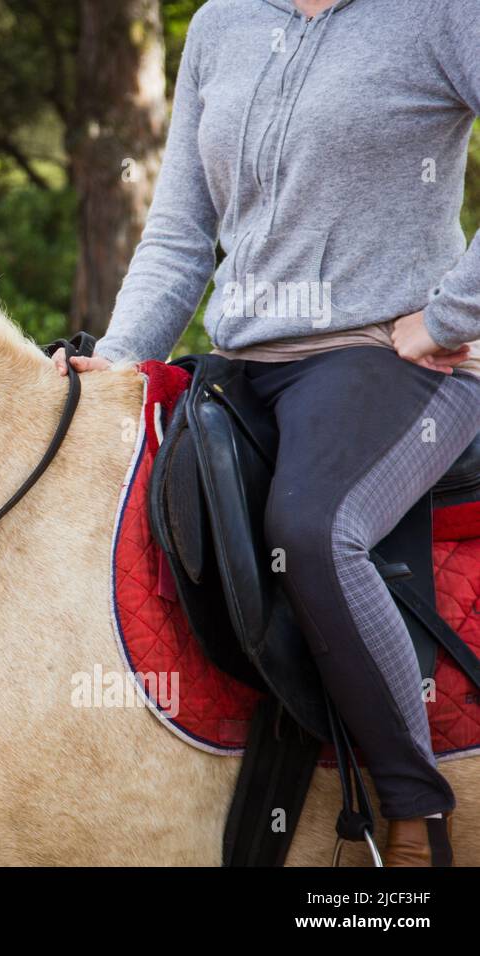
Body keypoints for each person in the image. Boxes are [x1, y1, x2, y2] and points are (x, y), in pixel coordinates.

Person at [53, 0, 480, 866]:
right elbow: (181, 230)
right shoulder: (220, 23)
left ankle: (414, 814)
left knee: (315, 529)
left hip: (393, 361)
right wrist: (125, 356)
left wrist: (449, 314)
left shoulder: (440, 13)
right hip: (242, 368)